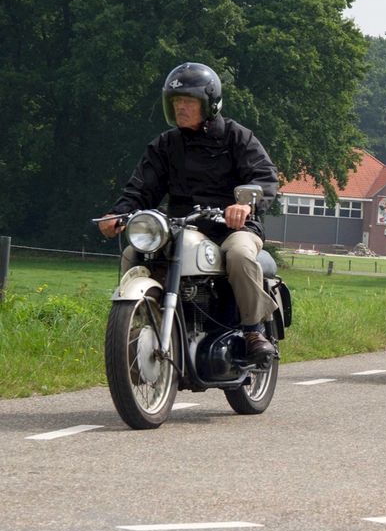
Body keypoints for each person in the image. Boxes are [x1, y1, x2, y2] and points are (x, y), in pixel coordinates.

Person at [98, 62, 279, 364]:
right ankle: (138, 326)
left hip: (232, 227)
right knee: (134, 252)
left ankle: (252, 330)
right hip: (180, 225)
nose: (180, 108)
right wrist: (118, 214)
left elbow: (264, 176)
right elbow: (141, 188)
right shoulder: (166, 145)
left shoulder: (237, 137)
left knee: (239, 255)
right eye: (176, 102)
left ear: (209, 104)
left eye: (188, 102)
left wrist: (245, 205)